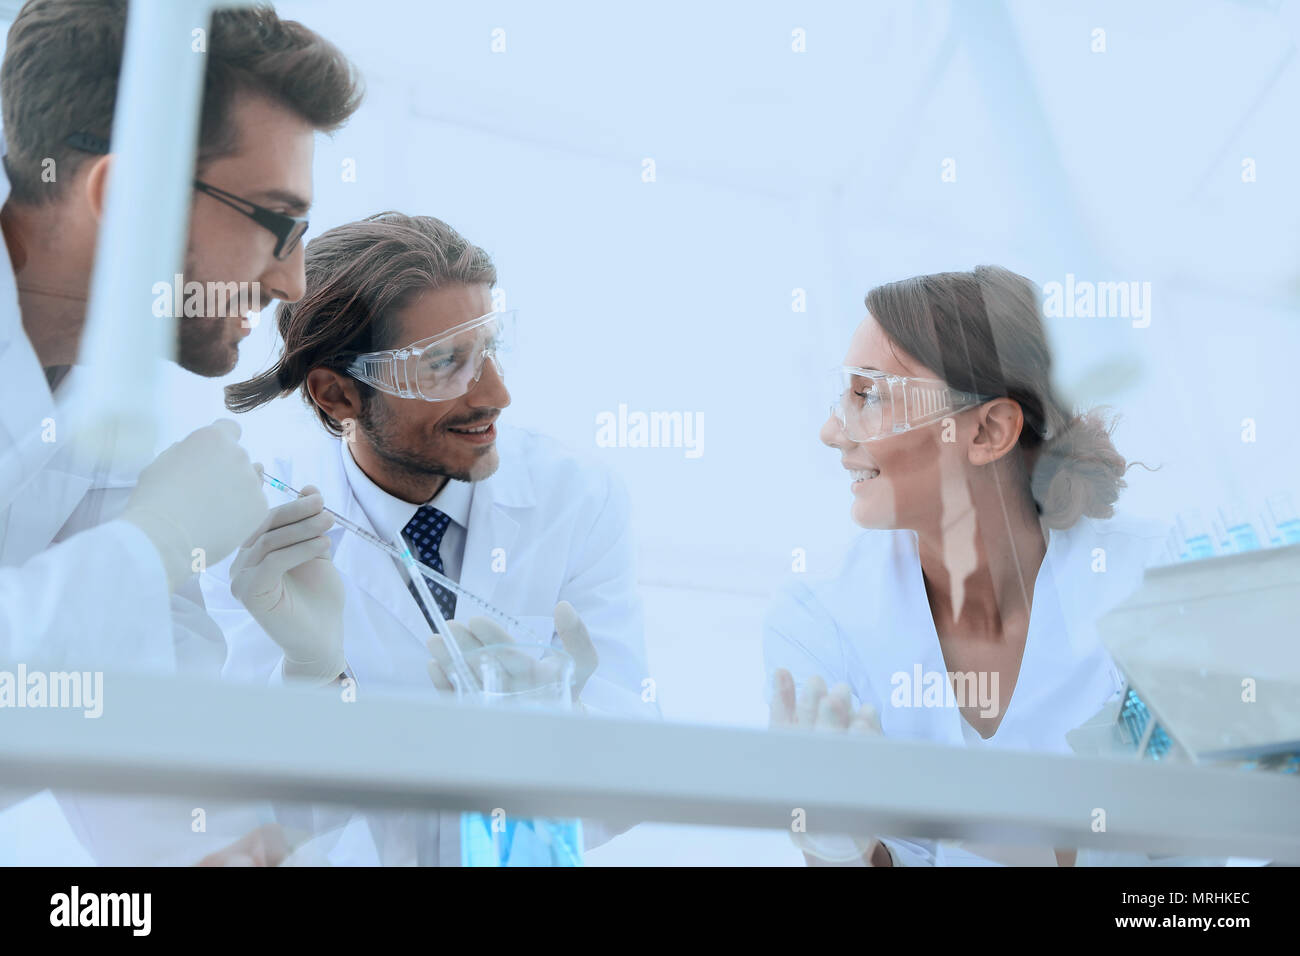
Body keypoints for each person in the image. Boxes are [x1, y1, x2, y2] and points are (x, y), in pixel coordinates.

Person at [0, 0, 362, 864]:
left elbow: (198, 832)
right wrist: (150, 545)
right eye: (277, 222)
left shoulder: (99, 424)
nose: (292, 278)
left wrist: (314, 677)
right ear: (125, 194)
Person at [206, 211, 654, 865]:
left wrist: (557, 719)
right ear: (336, 394)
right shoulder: (255, 539)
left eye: (490, 349)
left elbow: (641, 765)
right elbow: (254, 823)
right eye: (444, 364)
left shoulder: (576, 499)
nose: (497, 394)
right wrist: (309, 680)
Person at [763, 265, 1176, 867]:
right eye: (843, 396)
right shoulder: (819, 623)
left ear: (987, 430)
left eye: (869, 395)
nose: (832, 432)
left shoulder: (1157, 583)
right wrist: (842, 849)